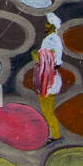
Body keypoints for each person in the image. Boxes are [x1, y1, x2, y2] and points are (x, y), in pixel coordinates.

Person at [32, 12, 65, 142]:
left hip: (49, 78)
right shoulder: (51, 38)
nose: (45, 25)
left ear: (52, 26)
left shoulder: (52, 40)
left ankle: (55, 135)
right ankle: (52, 134)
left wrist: (37, 56)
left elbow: (50, 58)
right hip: (47, 76)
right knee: (46, 110)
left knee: (48, 111)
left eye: (47, 23)